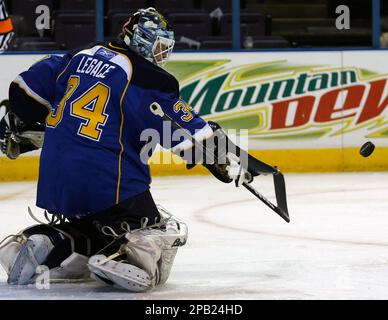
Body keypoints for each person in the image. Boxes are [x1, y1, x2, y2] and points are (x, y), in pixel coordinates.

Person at [0, 8, 251, 291]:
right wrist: (224, 156)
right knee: (151, 227)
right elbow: (187, 136)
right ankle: (126, 258)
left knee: (97, 226)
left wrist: (22, 123)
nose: (161, 55)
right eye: (158, 46)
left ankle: (49, 244)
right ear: (142, 40)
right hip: (107, 180)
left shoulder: (80, 54)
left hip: (55, 179)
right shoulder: (149, 77)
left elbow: (24, 89)